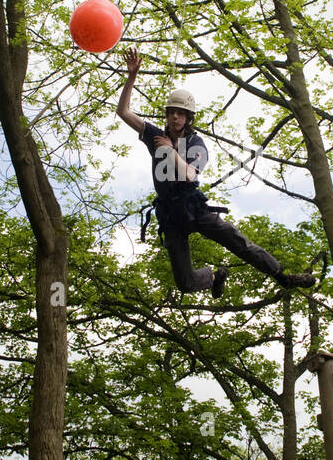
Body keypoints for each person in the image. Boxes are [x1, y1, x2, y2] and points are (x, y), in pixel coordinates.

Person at [117, 50, 315, 297]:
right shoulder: (156, 136)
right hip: (170, 215)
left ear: (188, 117)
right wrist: (131, 77)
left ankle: (282, 276)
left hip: (194, 208)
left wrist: (170, 151)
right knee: (185, 284)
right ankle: (214, 276)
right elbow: (123, 112)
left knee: (237, 242)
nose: (175, 117)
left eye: (180, 113)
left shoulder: (195, 143)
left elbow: (190, 175)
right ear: (167, 115)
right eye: (171, 112)